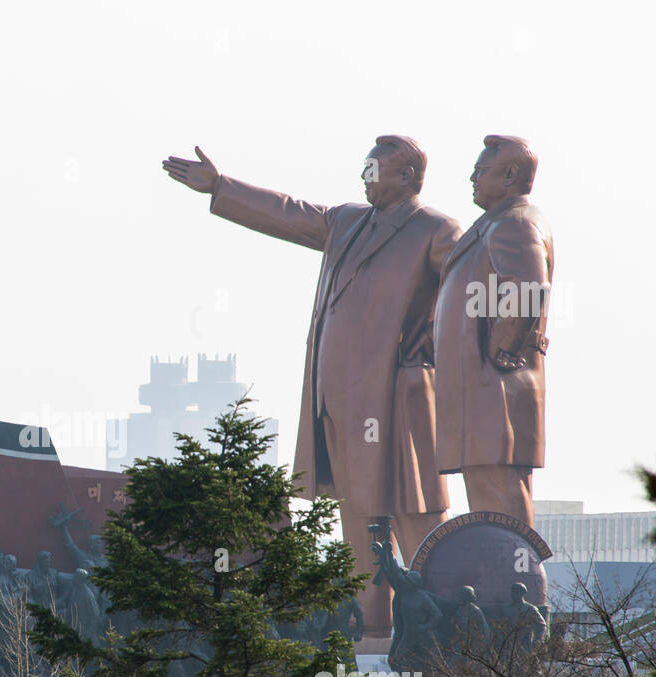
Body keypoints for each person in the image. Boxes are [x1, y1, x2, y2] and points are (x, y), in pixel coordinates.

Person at [164, 136, 460, 647]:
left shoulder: (436, 231)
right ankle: (372, 629)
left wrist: (430, 353)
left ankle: (446, 624)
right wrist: (221, 186)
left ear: (408, 175)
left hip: (399, 399)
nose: (364, 175)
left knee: (416, 510)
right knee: (360, 517)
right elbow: (288, 212)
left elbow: (471, 296)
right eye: (364, 166)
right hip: (336, 400)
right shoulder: (345, 222)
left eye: (375, 168)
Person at [433, 135, 552, 527]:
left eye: (482, 171)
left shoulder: (513, 223)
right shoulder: (494, 225)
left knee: (500, 503)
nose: (472, 177)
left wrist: (501, 348)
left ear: (511, 175)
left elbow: (529, 286)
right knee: (489, 502)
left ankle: (514, 583)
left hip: (494, 389)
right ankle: (502, 581)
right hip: (483, 388)